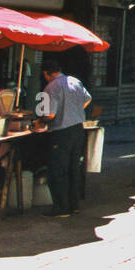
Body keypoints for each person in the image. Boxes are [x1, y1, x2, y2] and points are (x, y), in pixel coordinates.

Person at [34, 58, 92, 218]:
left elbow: (49, 114)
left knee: (58, 171)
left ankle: (61, 208)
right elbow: (88, 99)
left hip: (61, 133)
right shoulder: (75, 81)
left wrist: (38, 122)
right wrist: (74, 111)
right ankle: (74, 206)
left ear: (46, 74)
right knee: (74, 168)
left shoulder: (50, 88)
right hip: (78, 129)